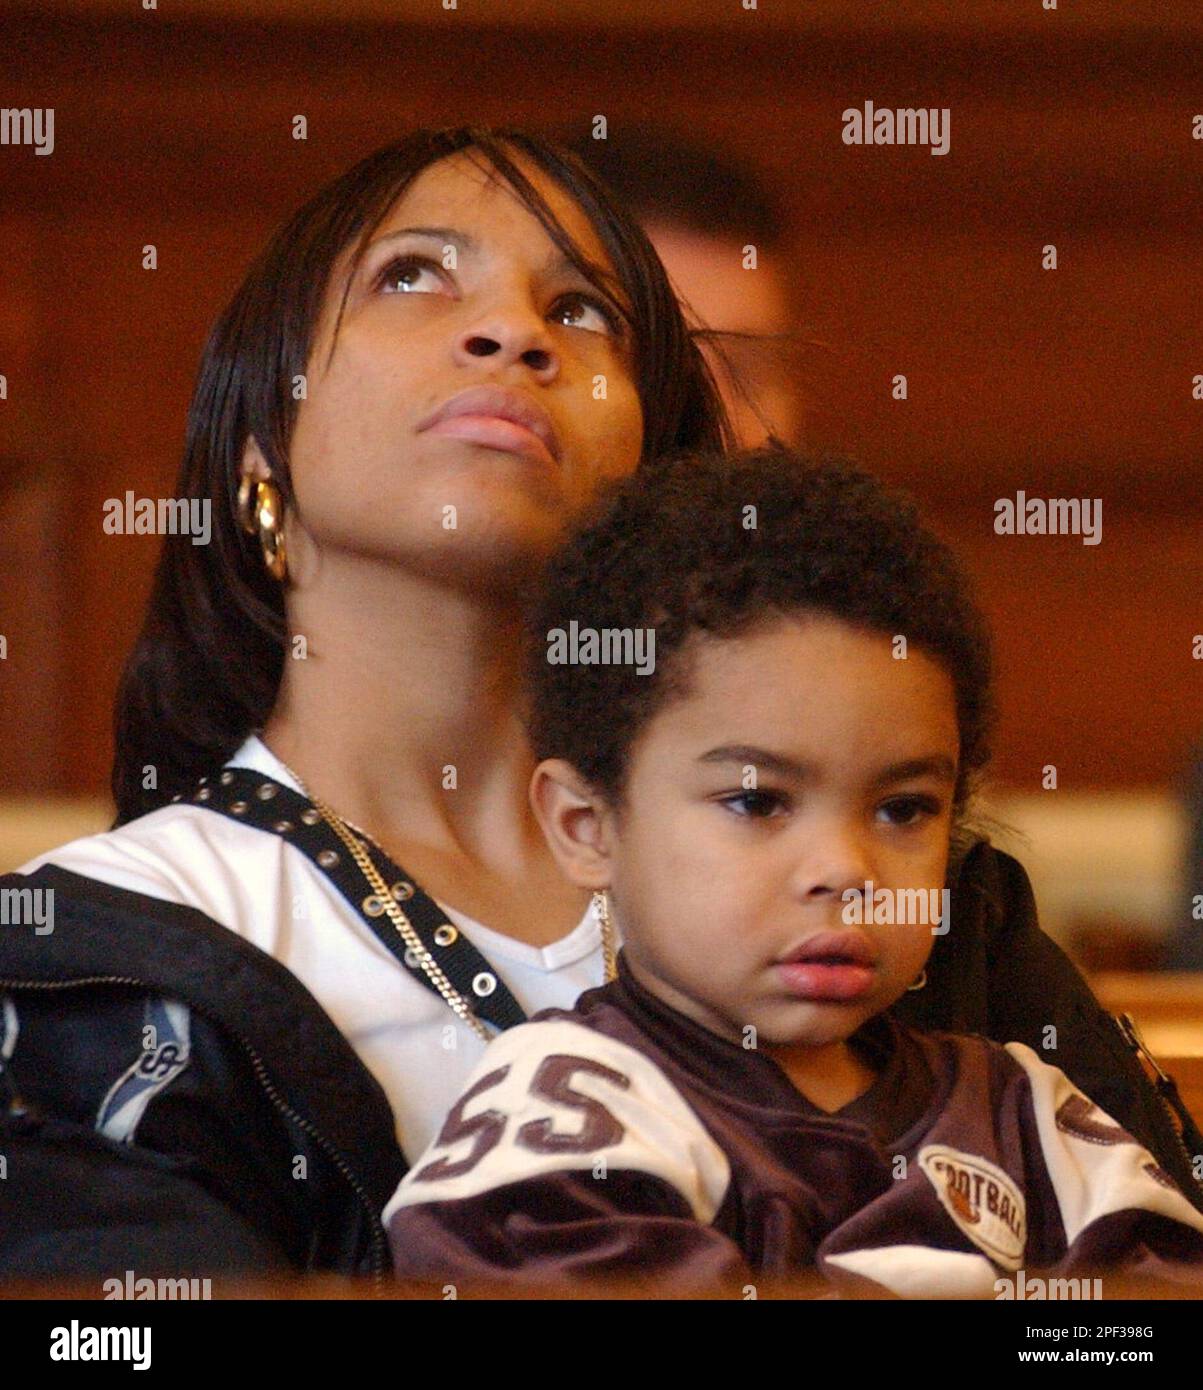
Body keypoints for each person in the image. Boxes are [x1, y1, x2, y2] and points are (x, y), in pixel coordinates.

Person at [0, 125, 1193, 1282]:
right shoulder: (108, 956)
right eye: (411, 276)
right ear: (260, 448)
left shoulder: (910, 905)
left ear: (656, 470)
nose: (515, 332)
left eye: (581, 312)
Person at [385, 449, 1203, 1296]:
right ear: (586, 827)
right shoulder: (563, 1112)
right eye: (756, 803)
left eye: (903, 809)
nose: (844, 868)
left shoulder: (1023, 1109)